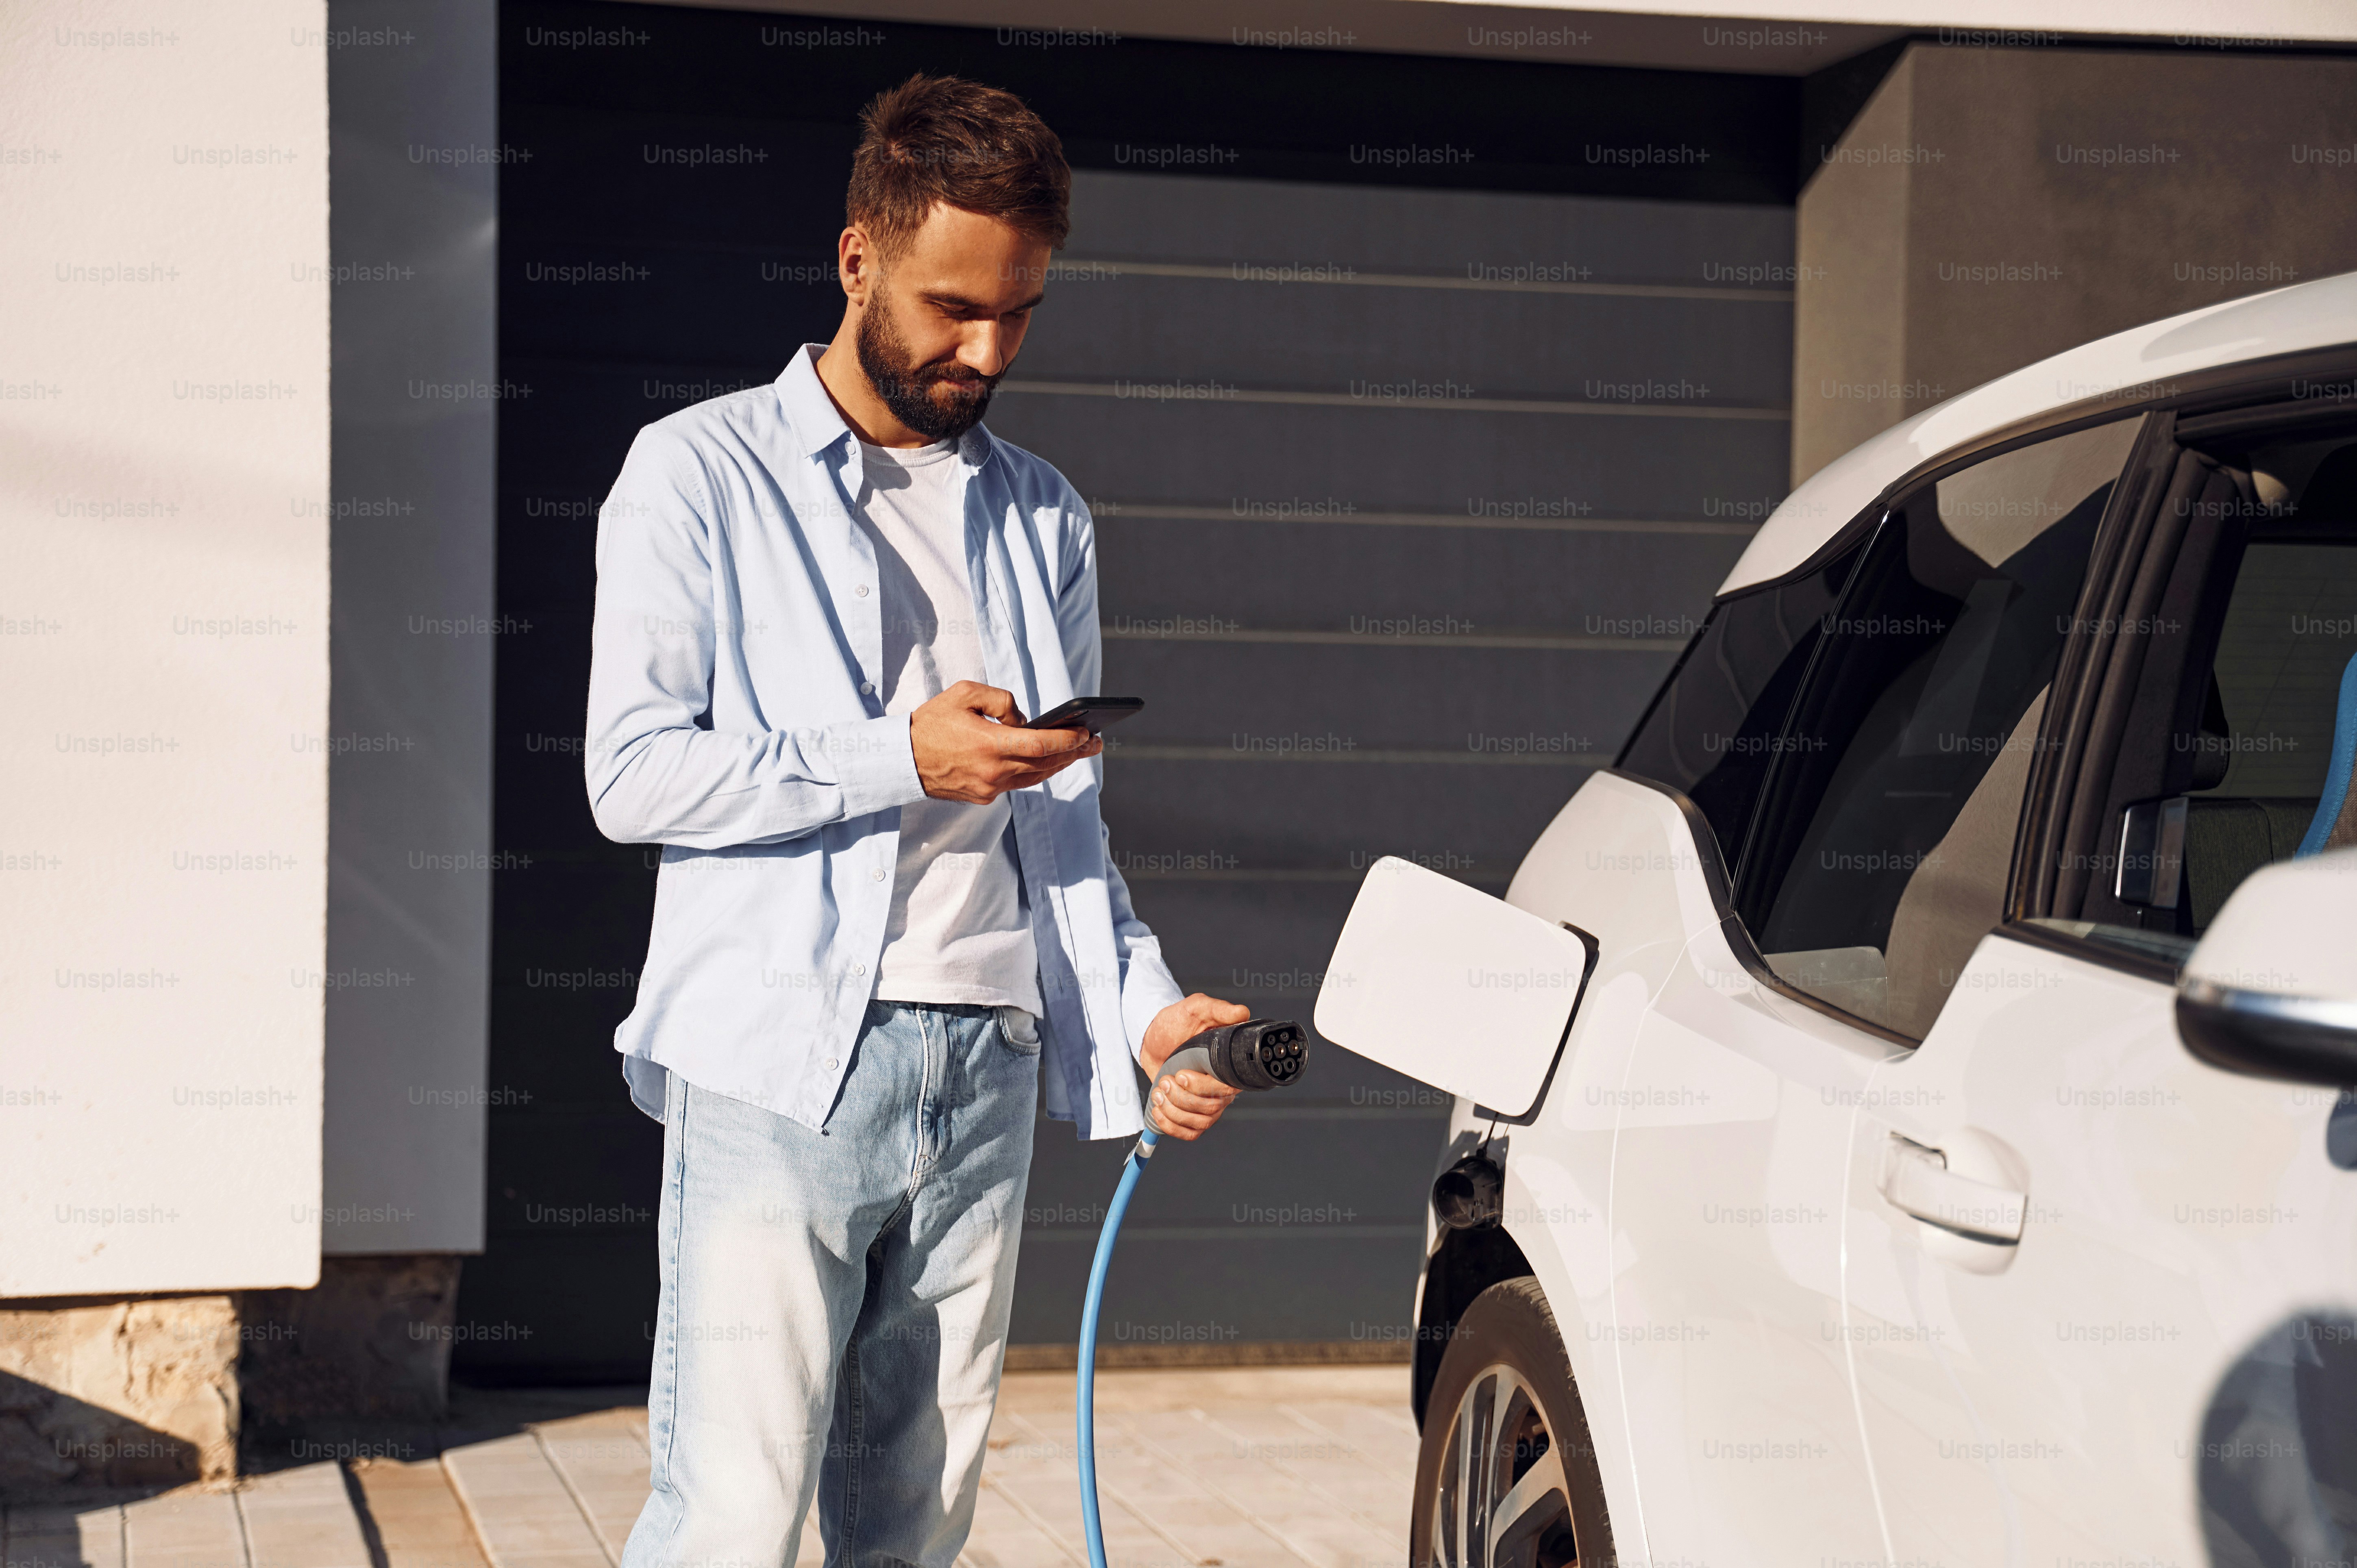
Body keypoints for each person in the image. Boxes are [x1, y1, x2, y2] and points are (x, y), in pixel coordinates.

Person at [584, 72, 1249, 1568]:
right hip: (778, 1067)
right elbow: (630, 774)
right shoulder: (696, 477)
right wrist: (901, 757)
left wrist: (1141, 1014)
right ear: (857, 258)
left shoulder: (1045, 515)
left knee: (917, 1523)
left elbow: (1067, 821)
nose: (986, 348)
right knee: (731, 1520)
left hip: (986, 1059)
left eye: (1019, 311)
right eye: (955, 306)